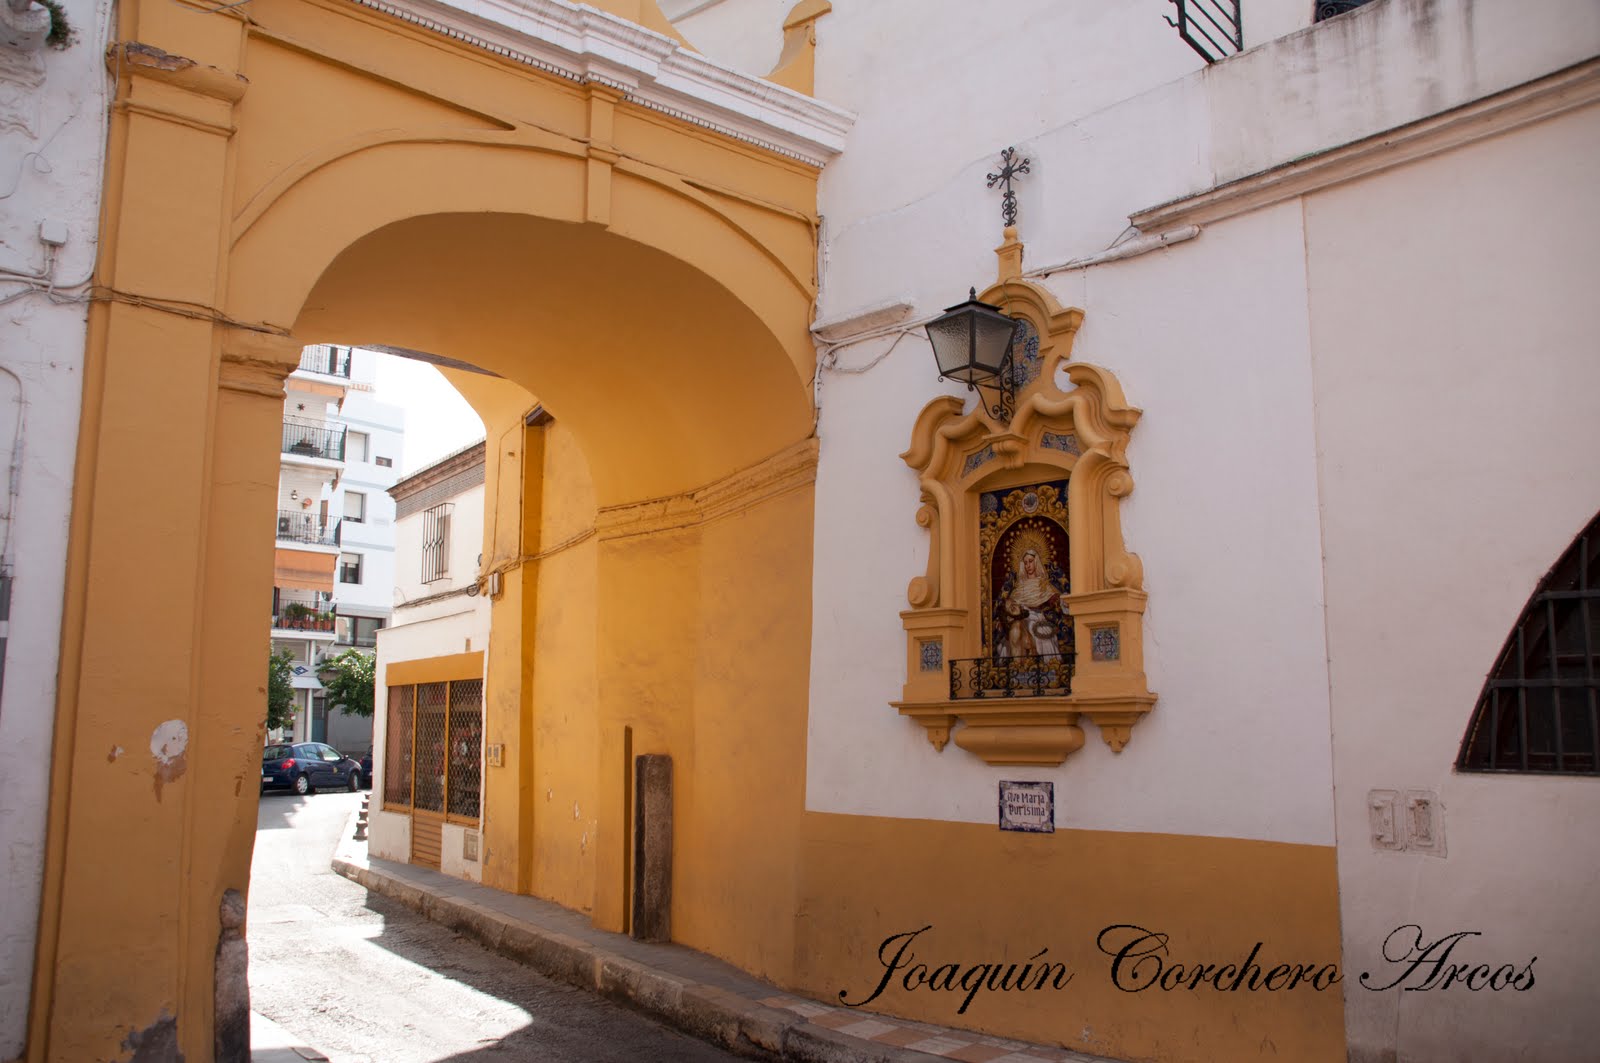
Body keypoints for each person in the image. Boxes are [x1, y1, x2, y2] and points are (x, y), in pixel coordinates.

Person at [1002, 536, 1064, 658]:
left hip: (1038, 619)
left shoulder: (1044, 584)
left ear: (1036, 562)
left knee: (1043, 635)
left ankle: (1049, 666)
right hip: (1021, 618)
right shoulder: (1019, 587)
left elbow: (1055, 600)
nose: (1028, 565)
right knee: (1012, 635)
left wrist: (1061, 601)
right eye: (1025, 563)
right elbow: (1010, 606)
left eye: (1030, 561)